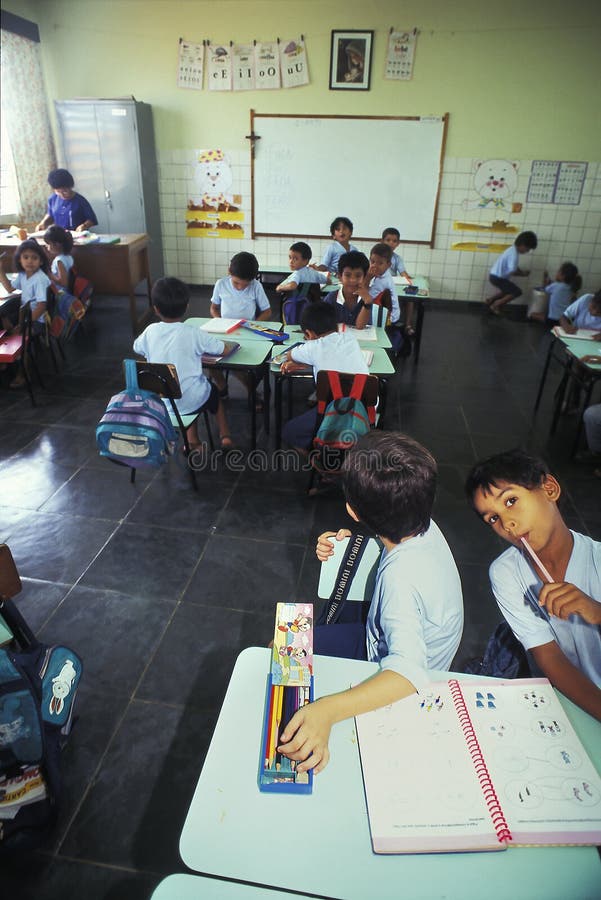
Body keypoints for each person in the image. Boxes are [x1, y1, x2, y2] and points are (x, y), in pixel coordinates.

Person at [276, 432, 464, 773]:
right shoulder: (421, 523)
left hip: (386, 669)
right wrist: (353, 546)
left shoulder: (400, 580)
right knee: (291, 644)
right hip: (383, 639)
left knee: (285, 649)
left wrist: (326, 711)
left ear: (352, 511)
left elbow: (408, 672)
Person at [465, 449, 601, 721]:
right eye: (493, 518)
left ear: (549, 489)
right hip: (562, 703)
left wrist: (596, 611)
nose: (507, 523)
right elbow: (549, 658)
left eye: (511, 500)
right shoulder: (506, 572)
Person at [133, 277, 233, 451]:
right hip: (190, 398)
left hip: (160, 401)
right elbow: (222, 349)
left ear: (156, 309)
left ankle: (192, 441)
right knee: (213, 394)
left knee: (181, 388)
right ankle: (225, 437)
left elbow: (137, 348)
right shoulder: (193, 332)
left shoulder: (150, 331)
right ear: (187, 307)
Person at [280, 301, 368, 451]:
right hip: (364, 412)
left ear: (309, 334)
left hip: (332, 413)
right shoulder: (350, 338)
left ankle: (322, 464)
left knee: (289, 432)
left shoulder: (313, 347)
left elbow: (289, 355)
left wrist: (307, 357)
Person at [210, 252, 271, 405]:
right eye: (237, 283)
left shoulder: (256, 286)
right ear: (229, 272)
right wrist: (218, 321)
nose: (241, 287)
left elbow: (267, 311)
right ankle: (222, 387)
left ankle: (252, 391)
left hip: (246, 332)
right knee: (209, 360)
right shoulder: (221, 284)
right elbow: (213, 308)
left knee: (237, 364)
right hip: (224, 331)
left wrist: (253, 325)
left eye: (245, 284)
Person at [0, 239, 51, 387]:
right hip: (25, 316)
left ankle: (22, 374)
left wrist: (23, 325)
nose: (29, 261)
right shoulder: (23, 275)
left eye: (34, 258)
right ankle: (5, 360)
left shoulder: (40, 279)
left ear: (41, 261)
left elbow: (41, 306)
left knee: (23, 339)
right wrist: (1, 270)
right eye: (26, 257)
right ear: (20, 260)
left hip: (37, 320)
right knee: (3, 317)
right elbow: (10, 288)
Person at [485, 230, 538, 315]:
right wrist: (523, 274)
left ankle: (490, 300)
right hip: (498, 277)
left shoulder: (511, 249)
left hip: (494, 275)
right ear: (523, 245)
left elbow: (514, 267)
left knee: (507, 291)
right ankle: (495, 305)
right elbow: (513, 271)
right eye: (527, 249)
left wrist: (521, 271)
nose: (527, 251)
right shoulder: (514, 255)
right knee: (517, 292)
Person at [36, 168, 97, 233]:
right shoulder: (53, 199)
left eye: (65, 191)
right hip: (60, 236)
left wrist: (84, 226)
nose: (62, 194)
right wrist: (43, 223)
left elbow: (92, 220)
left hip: (77, 236)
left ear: (70, 186)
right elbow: (50, 214)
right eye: (58, 191)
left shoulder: (80, 200)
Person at [382, 226, 416, 337]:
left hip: (393, 284)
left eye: (394, 241)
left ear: (398, 243)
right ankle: (385, 323)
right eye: (388, 240)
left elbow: (403, 273)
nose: (391, 243)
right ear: (382, 241)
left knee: (410, 299)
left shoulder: (397, 258)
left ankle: (408, 325)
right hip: (380, 285)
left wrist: (408, 279)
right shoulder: (377, 255)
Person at [326, 251, 372, 329]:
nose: (353, 280)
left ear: (364, 277)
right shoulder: (331, 299)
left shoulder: (366, 299)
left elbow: (360, 326)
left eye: (358, 276)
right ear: (340, 277)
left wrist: (367, 303)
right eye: (348, 275)